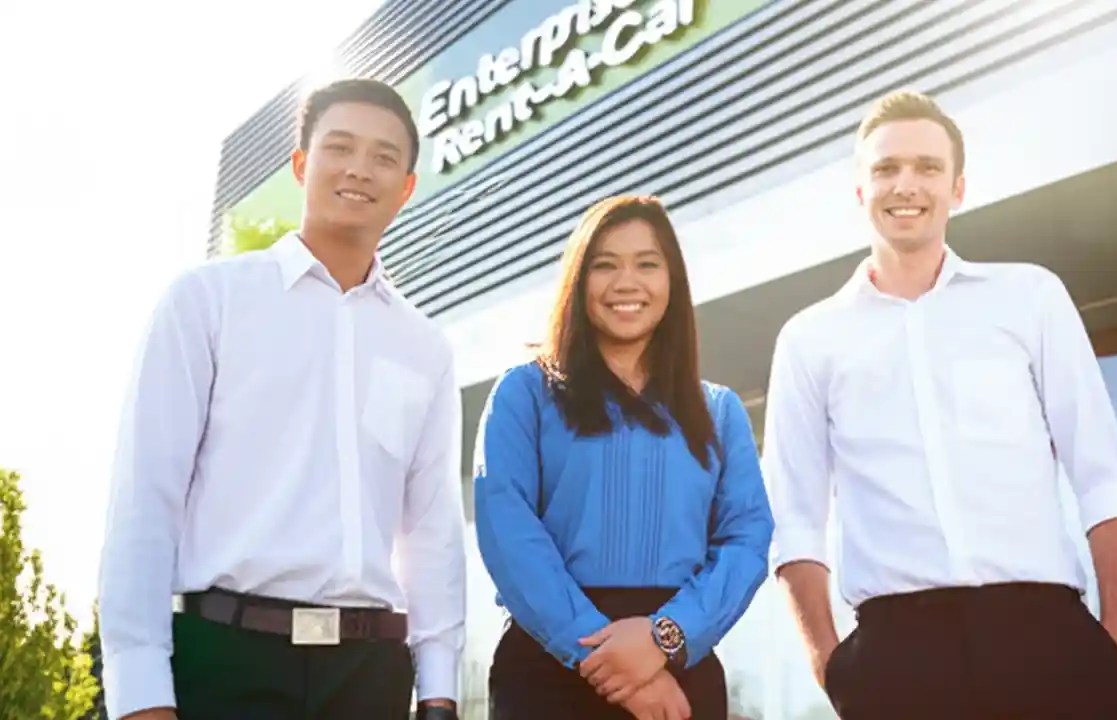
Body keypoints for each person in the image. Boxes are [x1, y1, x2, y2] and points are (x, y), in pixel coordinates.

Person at [763, 90, 1117, 719]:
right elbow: (795, 521)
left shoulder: (1030, 297)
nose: (906, 185)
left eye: (927, 167)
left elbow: (1104, 477)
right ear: (860, 191)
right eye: (886, 169)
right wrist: (831, 666)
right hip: (896, 664)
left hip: (1052, 644)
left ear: (959, 188)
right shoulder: (810, 339)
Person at [98, 78, 466, 720]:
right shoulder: (207, 302)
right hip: (224, 659)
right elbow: (145, 497)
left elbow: (432, 528)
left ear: (407, 187)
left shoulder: (423, 346)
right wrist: (140, 691)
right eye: (340, 147)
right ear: (301, 164)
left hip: (368, 677)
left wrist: (439, 691)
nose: (359, 169)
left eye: (384, 157)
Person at [472, 195, 774, 719]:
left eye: (647, 264)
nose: (626, 283)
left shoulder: (719, 410)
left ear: (672, 281)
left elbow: (746, 540)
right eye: (605, 265)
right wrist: (606, 657)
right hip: (548, 667)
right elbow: (508, 530)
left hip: (680, 667)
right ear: (577, 281)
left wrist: (664, 638)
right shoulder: (524, 394)